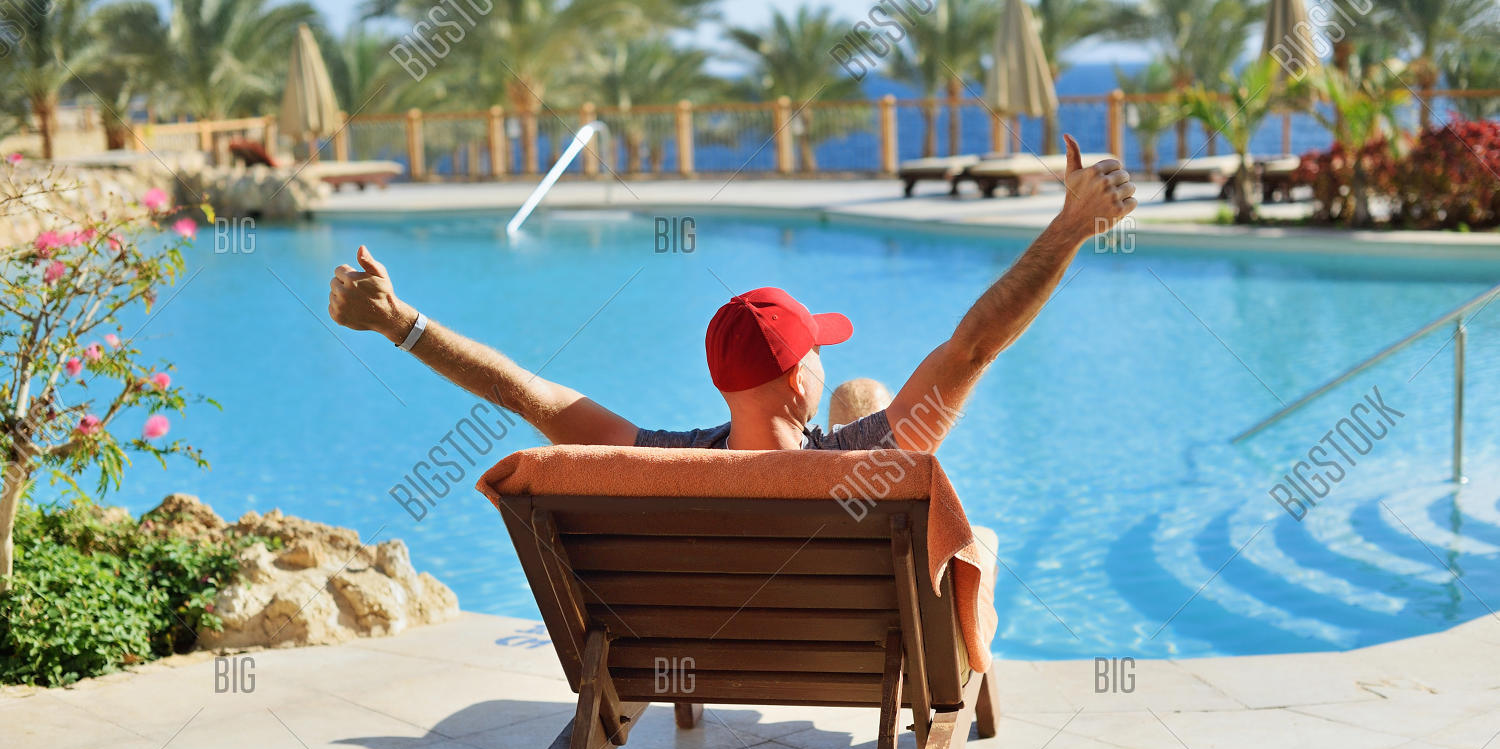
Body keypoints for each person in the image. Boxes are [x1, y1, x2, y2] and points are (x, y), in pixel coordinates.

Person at [328, 136, 1134, 455]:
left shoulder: (666, 465)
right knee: (879, 405)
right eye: (817, 351)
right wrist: (1068, 228)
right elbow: (974, 346)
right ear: (797, 383)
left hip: (713, 634)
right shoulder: (867, 469)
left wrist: (401, 325)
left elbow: (531, 397)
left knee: (866, 394)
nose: (822, 363)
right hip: (857, 644)